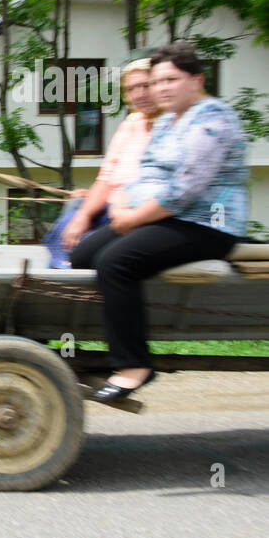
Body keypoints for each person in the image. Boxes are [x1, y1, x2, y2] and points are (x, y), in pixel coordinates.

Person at [69, 42, 248, 400]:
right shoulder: (166, 121)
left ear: (197, 80)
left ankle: (135, 366)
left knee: (115, 262)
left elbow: (184, 191)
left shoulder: (213, 118)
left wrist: (130, 221)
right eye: (158, 81)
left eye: (172, 79)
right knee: (84, 253)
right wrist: (121, 202)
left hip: (207, 224)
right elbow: (142, 174)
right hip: (164, 217)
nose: (163, 88)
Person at [43, 58, 159, 266]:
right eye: (132, 88)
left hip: (137, 213)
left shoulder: (172, 128)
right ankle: (62, 269)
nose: (139, 94)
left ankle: (66, 272)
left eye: (146, 86)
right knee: (76, 210)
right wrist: (85, 215)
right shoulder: (130, 126)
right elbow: (106, 178)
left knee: (80, 241)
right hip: (111, 209)